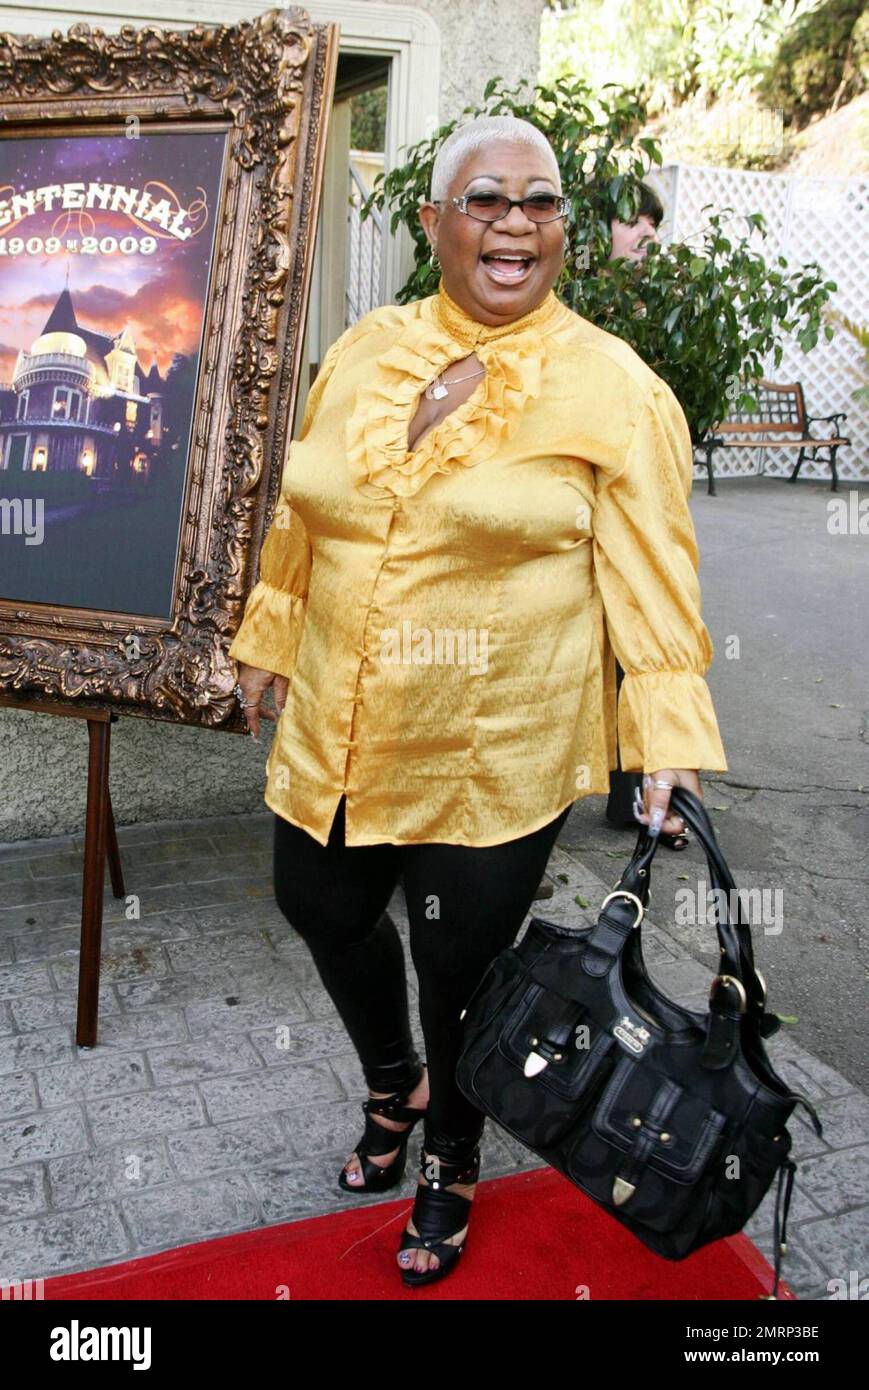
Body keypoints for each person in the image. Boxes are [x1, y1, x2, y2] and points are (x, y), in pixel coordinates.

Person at [229, 115, 727, 1289]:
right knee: (316, 903)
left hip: (489, 740)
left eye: (540, 203)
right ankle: (393, 1078)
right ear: (432, 222)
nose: (515, 222)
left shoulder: (612, 386)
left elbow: (653, 575)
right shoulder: (366, 348)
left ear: (563, 229)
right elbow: (307, 511)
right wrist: (270, 637)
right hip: (340, 719)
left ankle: (449, 1149)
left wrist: (664, 740)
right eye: (486, 200)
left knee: (459, 966)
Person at [602, 179, 692, 846]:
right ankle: (628, 789)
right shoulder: (581, 305)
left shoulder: (664, 302)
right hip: (591, 499)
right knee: (600, 647)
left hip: (645, 496)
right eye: (630, 221)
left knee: (644, 636)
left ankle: (639, 793)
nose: (644, 234)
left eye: (651, 224)